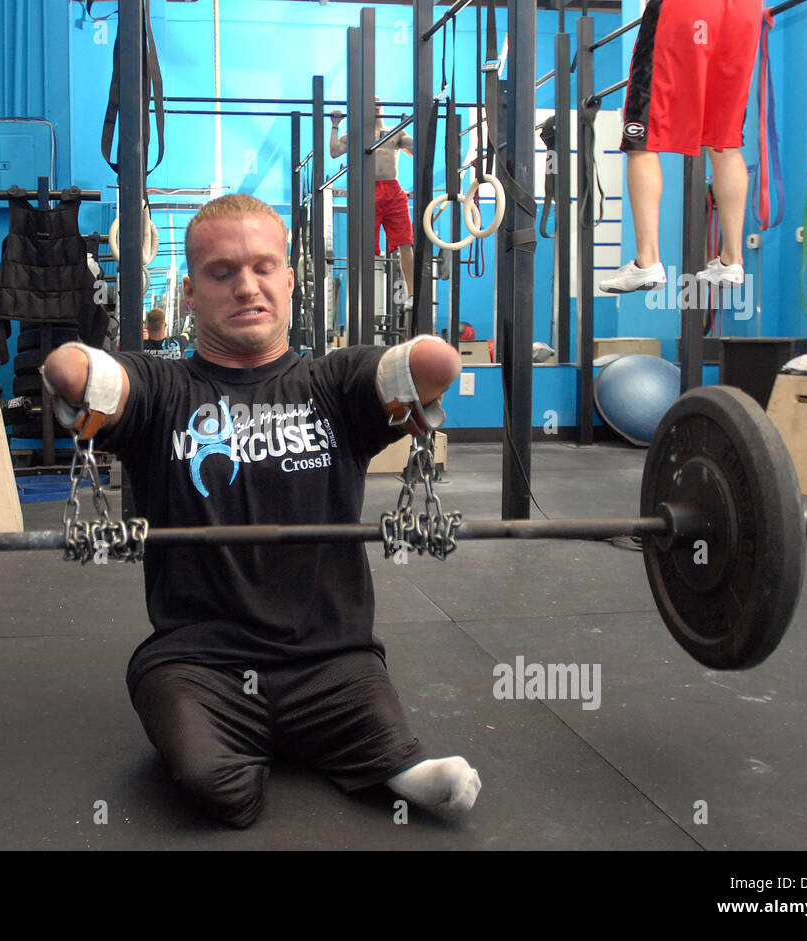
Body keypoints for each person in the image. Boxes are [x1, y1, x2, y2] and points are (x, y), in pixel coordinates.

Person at [41, 194, 481, 828]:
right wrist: (88, 380)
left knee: (394, 745)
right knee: (217, 791)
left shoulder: (333, 384)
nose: (246, 286)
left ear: (290, 280)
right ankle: (306, 746)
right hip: (198, 661)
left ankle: (384, 760)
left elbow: (431, 365)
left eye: (263, 267)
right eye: (223, 272)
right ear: (190, 292)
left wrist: (412, 376)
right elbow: (74, 371)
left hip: (332, 658)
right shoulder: (163, 389)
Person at [599, 0, 762, 294]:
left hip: (686, 10)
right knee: (724, 139)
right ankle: (732, 260)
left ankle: (647, 261)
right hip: (744, 13)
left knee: (642, 138)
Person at [330, 100, 417, 311]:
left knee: (406, 244)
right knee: (368, 247)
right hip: (368, 190)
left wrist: (411, 126)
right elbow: (334, 151)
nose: (375, 105)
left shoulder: (394, 133)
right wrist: (335, 125)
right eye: (372, 102)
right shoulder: (356, 134)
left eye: (378, 103)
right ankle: (365, 296)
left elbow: (417, 149)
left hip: (393, 190)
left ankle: (412, 294)